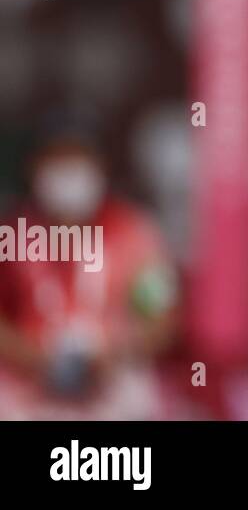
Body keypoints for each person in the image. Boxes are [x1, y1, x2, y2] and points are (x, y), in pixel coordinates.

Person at [0, 112, 178, 419]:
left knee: (139, 396)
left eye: (78, 159)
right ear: (35, 168)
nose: (68, 173)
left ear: (99, 167)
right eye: (57, 159)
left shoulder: (134, 234)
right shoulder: (11, 236)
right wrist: (34, 357)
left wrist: (115, 354)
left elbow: (161, 317)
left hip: (112, 385)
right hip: (27, 388)